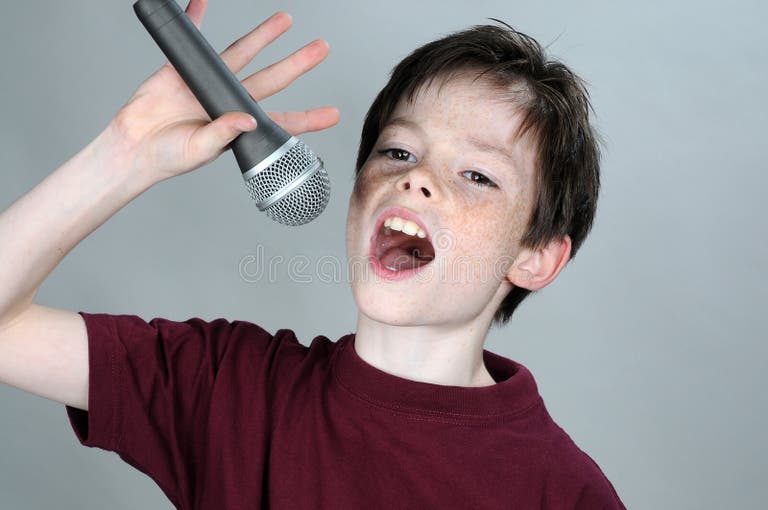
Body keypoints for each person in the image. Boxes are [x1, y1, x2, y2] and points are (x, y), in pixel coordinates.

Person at [0, 0, 625, 508]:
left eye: (478, 176)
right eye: (399, 152)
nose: (416, 179)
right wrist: (123, 154)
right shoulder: (227, 387)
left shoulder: (565, 494)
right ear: (356, 196)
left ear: (536, 258)